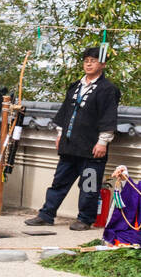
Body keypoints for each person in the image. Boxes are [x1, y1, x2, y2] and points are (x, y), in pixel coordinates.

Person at [25, 47, 121, 230]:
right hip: (70, 145)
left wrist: (103, 141)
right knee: (59, 182)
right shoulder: (75, 86)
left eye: (93, 60)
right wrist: (60, 134)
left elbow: (108, 117)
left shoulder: (108, 89)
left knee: (89, 185)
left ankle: (85, 219)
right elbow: (65, 112)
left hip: (93, 149)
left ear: (103, 64)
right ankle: (46, 214)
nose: (89, 63)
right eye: (86, 60)